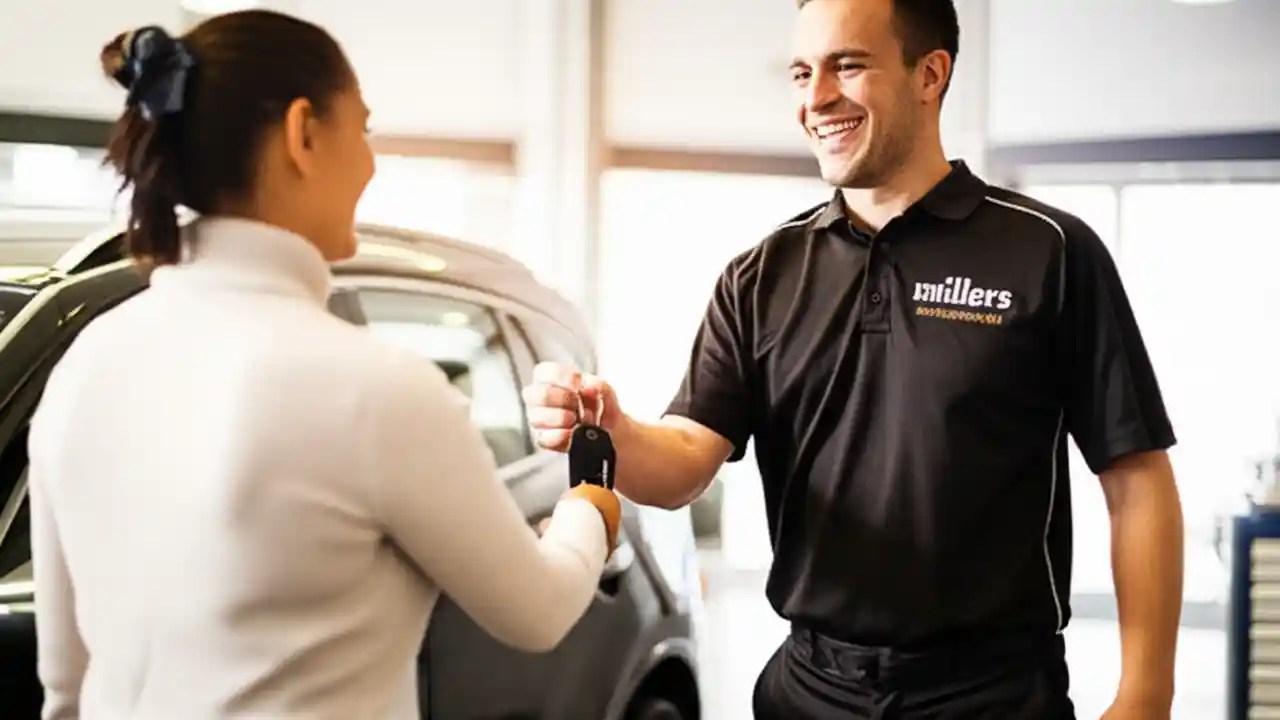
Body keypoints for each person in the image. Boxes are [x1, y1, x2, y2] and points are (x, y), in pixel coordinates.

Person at [522, 0, 1184, 718]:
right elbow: (687, 458)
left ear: (930, 74)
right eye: (801, 72)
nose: (816, 98)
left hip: (991, 694)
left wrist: (1146, 692)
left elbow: (1136, 477)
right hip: (811, 688)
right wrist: (615, 432)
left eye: (847, 65)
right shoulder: (761, 275)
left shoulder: (1050, 251)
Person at [27, 10, 620, 720]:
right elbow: (539, 611)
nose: (370, 162)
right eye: (361, 129)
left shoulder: (85, 365)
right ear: (303, 133)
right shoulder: (378, 390)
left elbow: (65, 687)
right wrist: (590, 506)